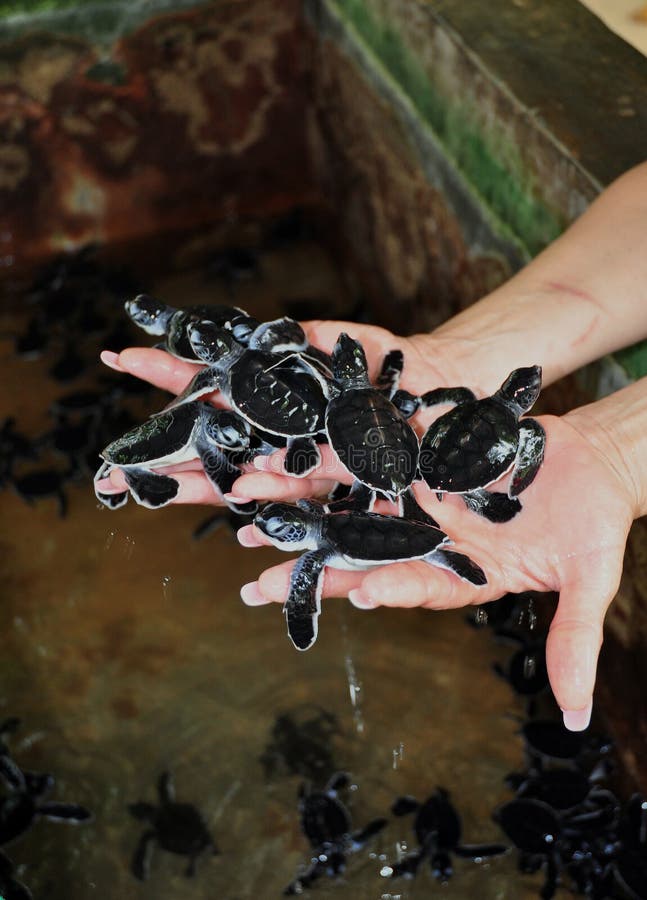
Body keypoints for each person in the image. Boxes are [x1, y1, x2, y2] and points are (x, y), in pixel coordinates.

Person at [99, 161, 647, 733]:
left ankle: (447, 524)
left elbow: (350, 389)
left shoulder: (334, 416)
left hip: (380, 445)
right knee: (375, 500)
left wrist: (618, 453)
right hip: (382, 440)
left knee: (361, 510)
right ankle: (445, 523)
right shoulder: (333, 396)